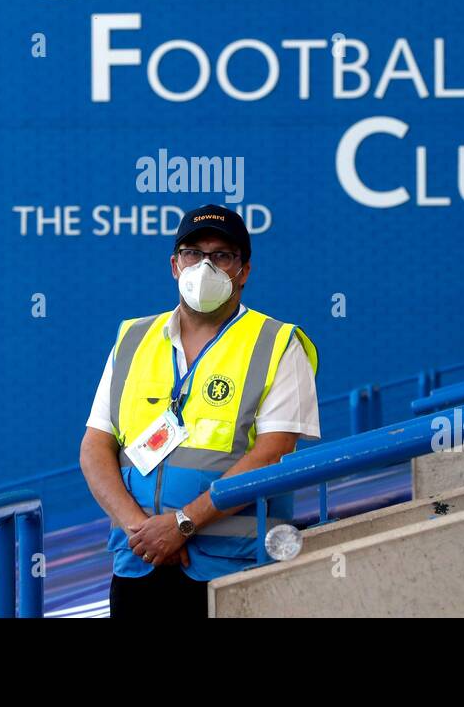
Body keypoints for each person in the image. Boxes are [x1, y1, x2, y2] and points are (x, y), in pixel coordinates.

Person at [79, 204, 319, 618]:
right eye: (193, 253)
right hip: (139, 566)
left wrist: (182, 525)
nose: (205, 266)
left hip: (233, 569)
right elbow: (94, 446)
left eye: (222, 255)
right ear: (175, 265)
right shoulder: (134, 339)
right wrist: (143, 531)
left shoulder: (278, 343)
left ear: (243, 271)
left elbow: (272, 452)